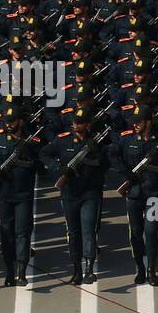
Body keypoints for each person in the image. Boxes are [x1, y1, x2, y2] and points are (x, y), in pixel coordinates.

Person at [0, 103, 46, 286]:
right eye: (7, 122)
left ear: (21, 122)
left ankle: (21, 270)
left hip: (24, 193)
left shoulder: (32, 141)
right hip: (5, 193)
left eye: (12, 122)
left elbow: (43, 165)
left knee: (22, 232)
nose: (9, 125)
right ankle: (9, 270)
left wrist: (31, 158)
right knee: (6, 233)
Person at [41, 106, 108, 286]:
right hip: (70, 192)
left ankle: (89, 269)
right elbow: (44, 154)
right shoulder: (62, 141)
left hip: (89, 193)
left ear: (87, 124)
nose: (76, 125)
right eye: (74, 122)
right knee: (73, 232)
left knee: (88, 230)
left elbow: (105, 165)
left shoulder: (96, 142)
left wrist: (95, 154)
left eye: (79, 123)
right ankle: (76, 269)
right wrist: (57, 167)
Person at [109, 105, 158, 285]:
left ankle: (152, 269)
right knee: (135, 233)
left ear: (148, 122)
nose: (135, 125)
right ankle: (140, 268)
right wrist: (124, 172)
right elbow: (111, 154)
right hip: (133, 194)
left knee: (151, 231)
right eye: (134, 122)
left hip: (153, 194)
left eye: (139, 122)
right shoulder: (126, 140)